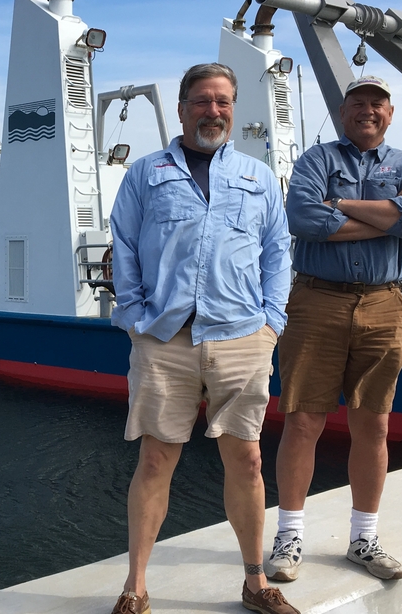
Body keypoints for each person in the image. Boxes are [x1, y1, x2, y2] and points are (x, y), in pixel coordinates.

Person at [109, 63, 297, 614]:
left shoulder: (258, 176)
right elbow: (123, 246)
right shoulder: (146, 173)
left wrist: (271, 325)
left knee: (248, 462)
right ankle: (136, 587)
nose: (212, 111)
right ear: (182, 107)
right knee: (154, 460)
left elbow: (276, 252)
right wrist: (137, 317)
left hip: (242, 336)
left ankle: (255, 582)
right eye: (201, 101)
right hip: (164, 338)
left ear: (233, 108)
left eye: (222, 102)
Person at [264, 75, 402, 584]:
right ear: (343, 113)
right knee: (302, 421)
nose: (368, 110)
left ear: (390, 113)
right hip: (317, 301)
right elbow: (301, 217)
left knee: (374, 424)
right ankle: (289, 536)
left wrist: (338, 206)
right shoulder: (317, 160)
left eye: (377, 104)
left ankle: (364, 538)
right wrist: (390, 216)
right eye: (358, 103)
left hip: (386, 305)